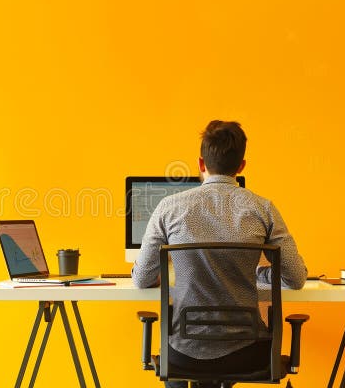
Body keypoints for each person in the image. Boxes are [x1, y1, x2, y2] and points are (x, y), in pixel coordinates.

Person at [131, 120, 308, 388]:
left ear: (201, 164)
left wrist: (160, 275)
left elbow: (141, 278)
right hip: (246, 354)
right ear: (241, 166)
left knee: (177, 369)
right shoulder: (263, 209)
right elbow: (295, 277)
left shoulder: (170, 207)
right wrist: (259, 272)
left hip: (183, 353)